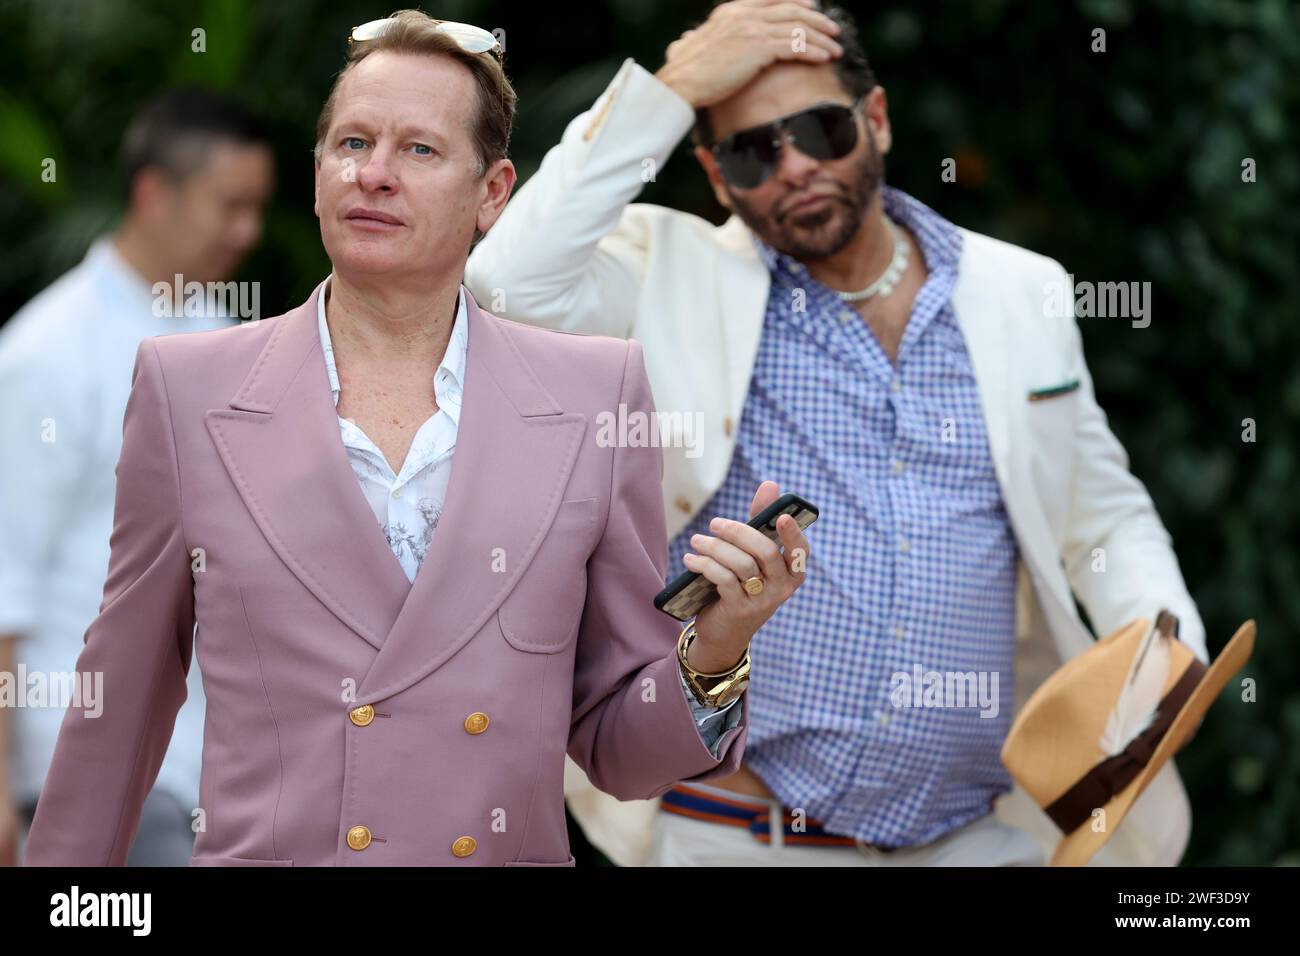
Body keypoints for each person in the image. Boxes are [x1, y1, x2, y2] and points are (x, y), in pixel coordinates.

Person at [22, 9, 812, 867]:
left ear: (493, 193)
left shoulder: (596, 396)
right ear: (320, 172)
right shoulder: (190, 391)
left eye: (420, 150)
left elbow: (622, 752)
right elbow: (124, 700)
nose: (376, 175)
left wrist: (720, 644)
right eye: (352, 144)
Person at [464, 0, 1206, 866]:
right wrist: (669, 90)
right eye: (751, 149)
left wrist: (1167, 660)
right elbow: (505, 281)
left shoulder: (1019, 290)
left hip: (981, 838)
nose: (796, 168)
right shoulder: (672, 278)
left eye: (822, 128)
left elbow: (1103, 512)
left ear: (878, 121)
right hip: (739, 839)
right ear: (712, 172)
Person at [0, 88, 273, 866]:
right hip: (84, 759)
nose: (247, 232)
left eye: (258, 207)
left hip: (209, 760)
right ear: (155, 194)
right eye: (231, 206)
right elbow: (3, 589)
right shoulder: (45, 357)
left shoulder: (224, 334)